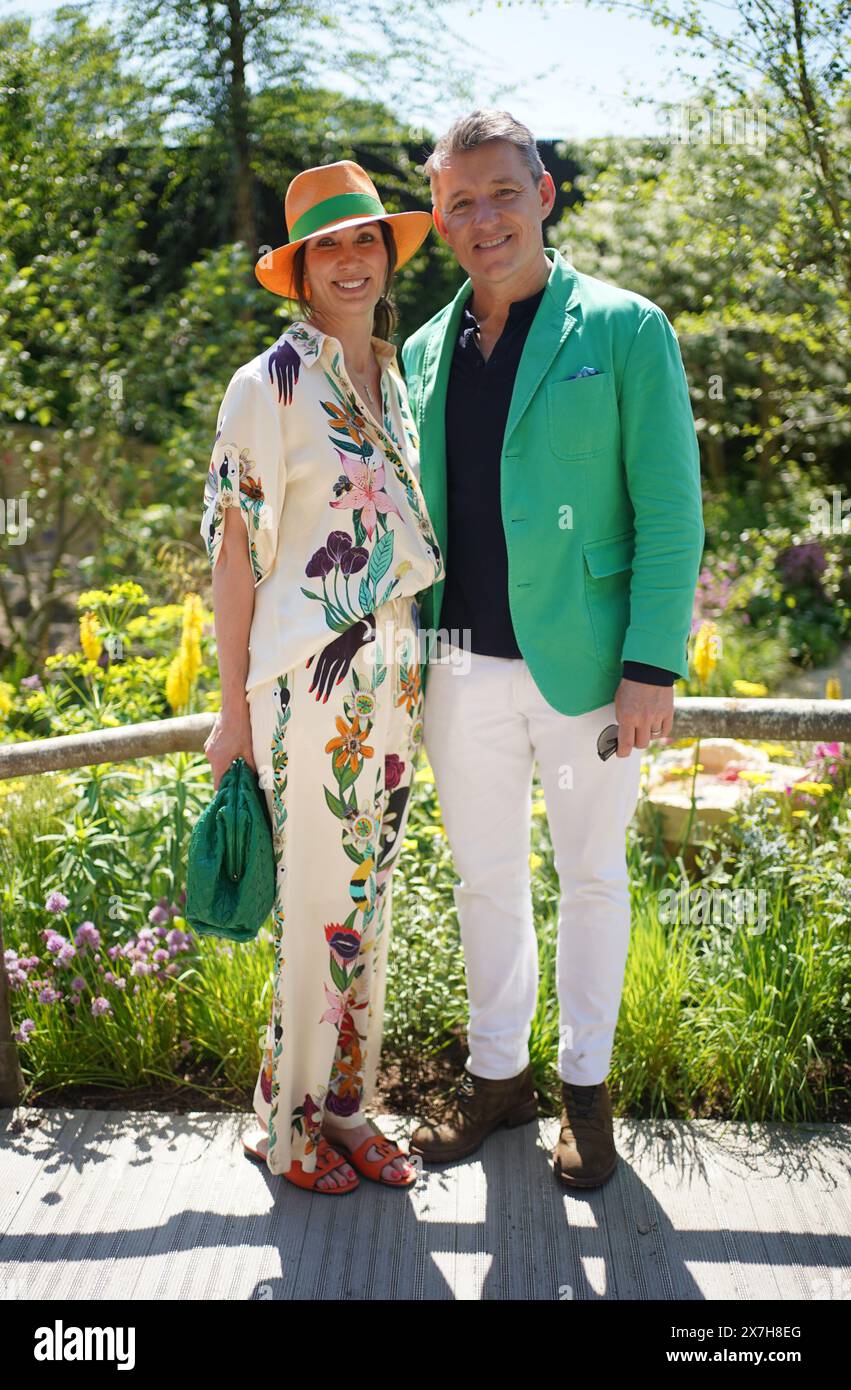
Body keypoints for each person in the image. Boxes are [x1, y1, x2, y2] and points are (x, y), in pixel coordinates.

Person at [400, 110, 705, 1188]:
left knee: (589, 875)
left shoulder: (626, 329)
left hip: (586, 676)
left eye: (503, 192)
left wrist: (651, 665)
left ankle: (587, 1090)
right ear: (441, 218)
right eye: (462, 201)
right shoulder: (424, 350)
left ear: (545, 194)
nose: (486, 219)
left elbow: (670, 509)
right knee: (484, 878)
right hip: (459, 666)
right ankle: (498, 1079)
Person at [200, 160, 444, 1194]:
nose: (350, 260)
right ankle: (284, 1120)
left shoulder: (393, 381)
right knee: (313, 909)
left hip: (395, 674)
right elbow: (232, 552)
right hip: (307, 682)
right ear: (299, 272)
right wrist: (229, 718)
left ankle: (347, 1105)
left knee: (369, 903)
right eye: (328, 247)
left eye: (366, 241)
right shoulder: (267, 384)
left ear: (388, 259)